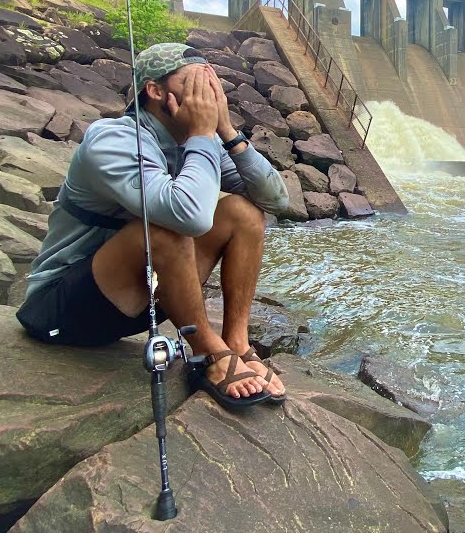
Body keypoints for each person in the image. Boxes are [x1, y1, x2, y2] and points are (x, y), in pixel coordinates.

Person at [17, 42, 291, 408]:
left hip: (142, 301)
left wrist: (227, 132)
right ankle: (210, 353)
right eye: (195, 83)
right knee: (164, 227)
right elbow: (189, 216)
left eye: (212, 84)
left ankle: (237, 343)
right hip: (62, 310)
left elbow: (276, 201)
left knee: (243, 213)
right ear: (156, 90)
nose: (208, 93)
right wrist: (201, 135)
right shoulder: (113, 138)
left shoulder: (190, 143)